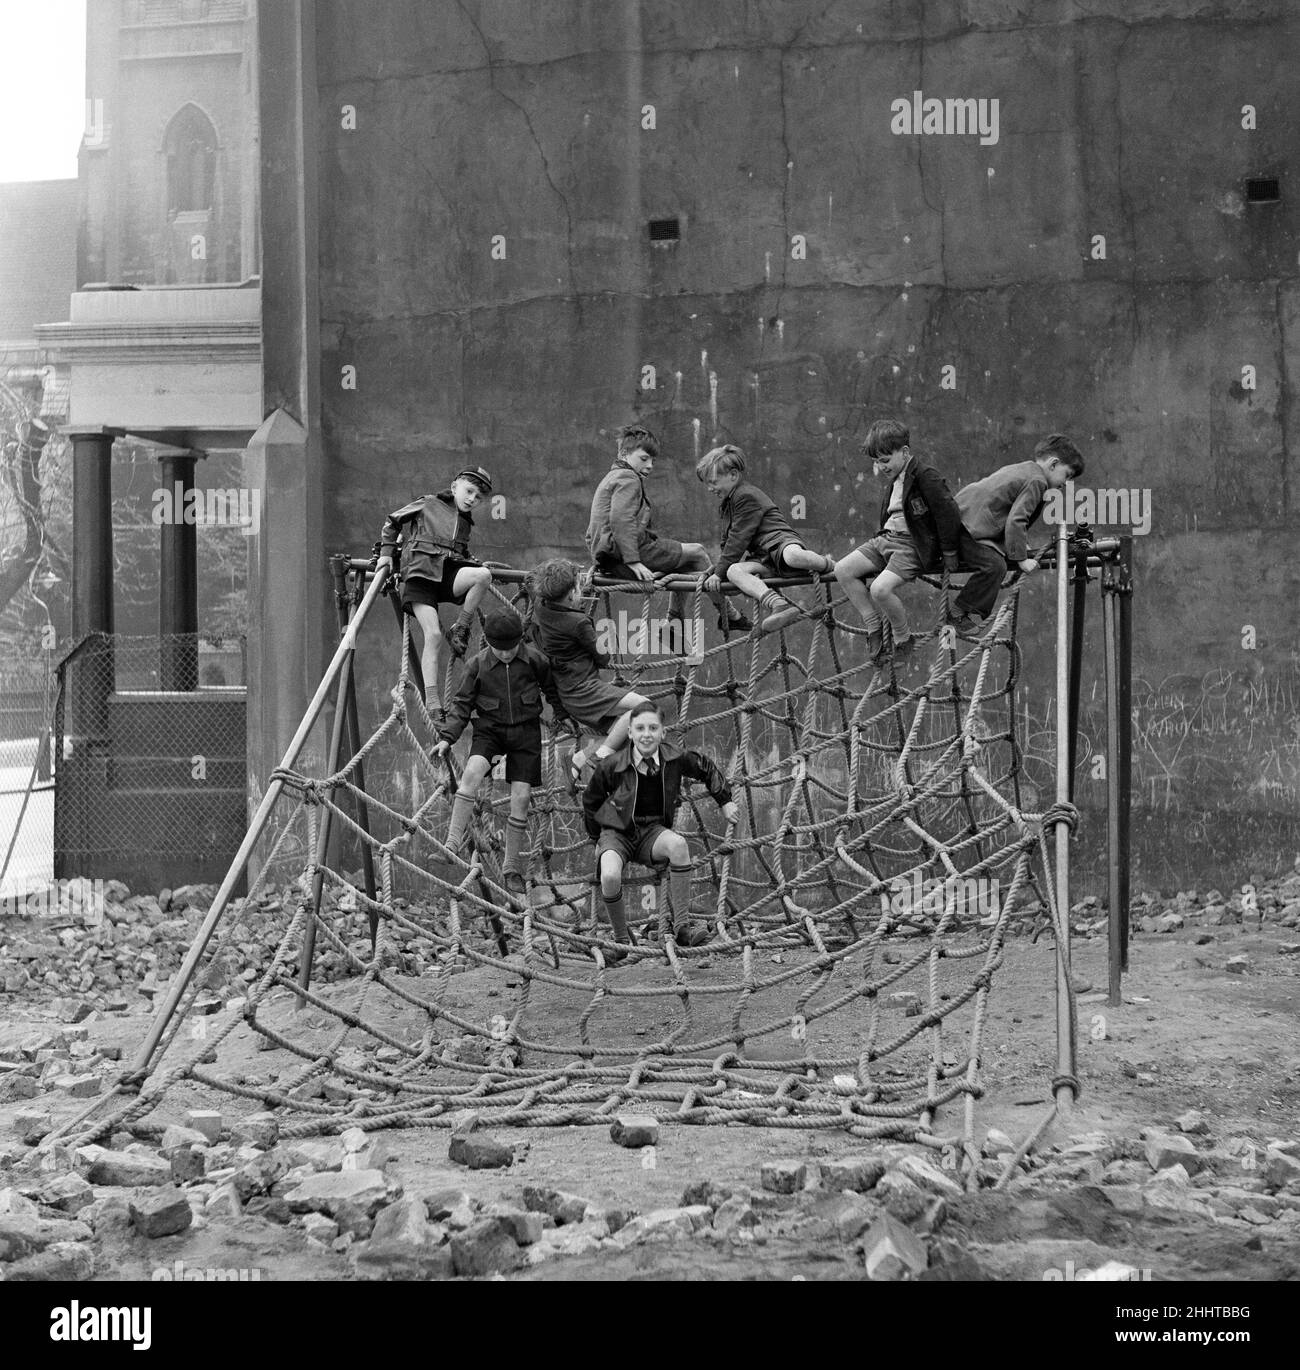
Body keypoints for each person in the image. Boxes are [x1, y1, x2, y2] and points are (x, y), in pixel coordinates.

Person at [582, 702, 739, 961]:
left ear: (662, 733)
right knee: (609, 874)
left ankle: (682, 929)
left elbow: (705, 767)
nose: (647, 734)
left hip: (652, 831)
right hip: (616, 833)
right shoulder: (612, 765)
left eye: (653, 728)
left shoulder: (674, 758)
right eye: (640, 728)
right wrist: (596, 838)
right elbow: (590, 800)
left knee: (678, 845)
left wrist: (725, 800)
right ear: (630, 733)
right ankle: (621, 941)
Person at [432, 609, 567, 900]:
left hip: (525, 734)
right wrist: (447, 738)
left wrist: (561, 713)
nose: (505, 655)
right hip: (490, 732)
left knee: (520, 797)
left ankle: (510, 868)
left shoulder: (535, 660)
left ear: (520, 640)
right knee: (470, 775)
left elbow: (551, 690)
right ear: (488, 643)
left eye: (511, 648)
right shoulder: (476, 665)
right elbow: (462, 704)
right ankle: (452, 843)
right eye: (499, 649)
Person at [586, 423, 752, 642]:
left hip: (607, 553)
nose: (650, 465)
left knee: (684, 563)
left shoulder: (612, 477)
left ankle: (674, 622)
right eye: (644, 458)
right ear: (624, 454)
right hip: (626, 551)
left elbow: (595, 530)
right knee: (698, 553)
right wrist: (633, 561)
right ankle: (728, 614)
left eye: (653, 460)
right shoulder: (628, 479)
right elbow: (621, 521)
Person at [833, 419, 969, 664]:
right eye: (876, 461)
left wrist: (949, 550)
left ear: (904, 452)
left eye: (885, 460)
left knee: (880, 589)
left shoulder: (925, 476)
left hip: (910, 545)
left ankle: (903, 636)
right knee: (842, 569)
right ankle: (873, 626)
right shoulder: (896, 478)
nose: (881, 467)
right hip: (886, 539)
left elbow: (948, 512)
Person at [375, 467, 495, 720]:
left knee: (483, 575)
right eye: (469, 491)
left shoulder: (465, 522)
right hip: (420, 576)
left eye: (478, 497)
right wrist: (386, 554)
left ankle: (461, 626)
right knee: (434, 635)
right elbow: (392, 521)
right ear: (454, 488)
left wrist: (471, 562)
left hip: (446, 574)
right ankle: (433, 702)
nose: (472, 499)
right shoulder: (428, 503)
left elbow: (456, 552)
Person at [526, 557, 652, 787]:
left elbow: (532, 583)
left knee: (622, 731)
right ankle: (599, 757)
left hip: (568, 690)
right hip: (584, 690)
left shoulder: (540, 605)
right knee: (645, 708)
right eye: (578, 585)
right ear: (571, 595)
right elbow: (603, 657)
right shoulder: (578, 623)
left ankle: (579, 759)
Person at [695, 444, 836, 634]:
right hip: (764, 557)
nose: (710, 488)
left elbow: (738, 539)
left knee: (793, 556)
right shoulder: (727, 505)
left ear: (733, 475)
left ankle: (831, 565)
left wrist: (718, 574)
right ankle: (777, 604)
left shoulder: (745, 496)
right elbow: (728, 544)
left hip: (780, 542)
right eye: (707, 484)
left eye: (713, 482)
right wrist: (716, 571)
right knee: (735, 571)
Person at [951, 434, 1085, 631]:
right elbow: (1017, 519)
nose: (1066, 483)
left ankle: (963, 610)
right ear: (1053, 464)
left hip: (966, 520)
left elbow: (1008, 512)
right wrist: (1022, 559)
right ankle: (957, 613)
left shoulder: (1024, 469)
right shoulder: (1037, 482)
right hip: (966, 527)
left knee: (997, 561)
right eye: (1067, 475)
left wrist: (1019, 545)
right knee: (994, 566)